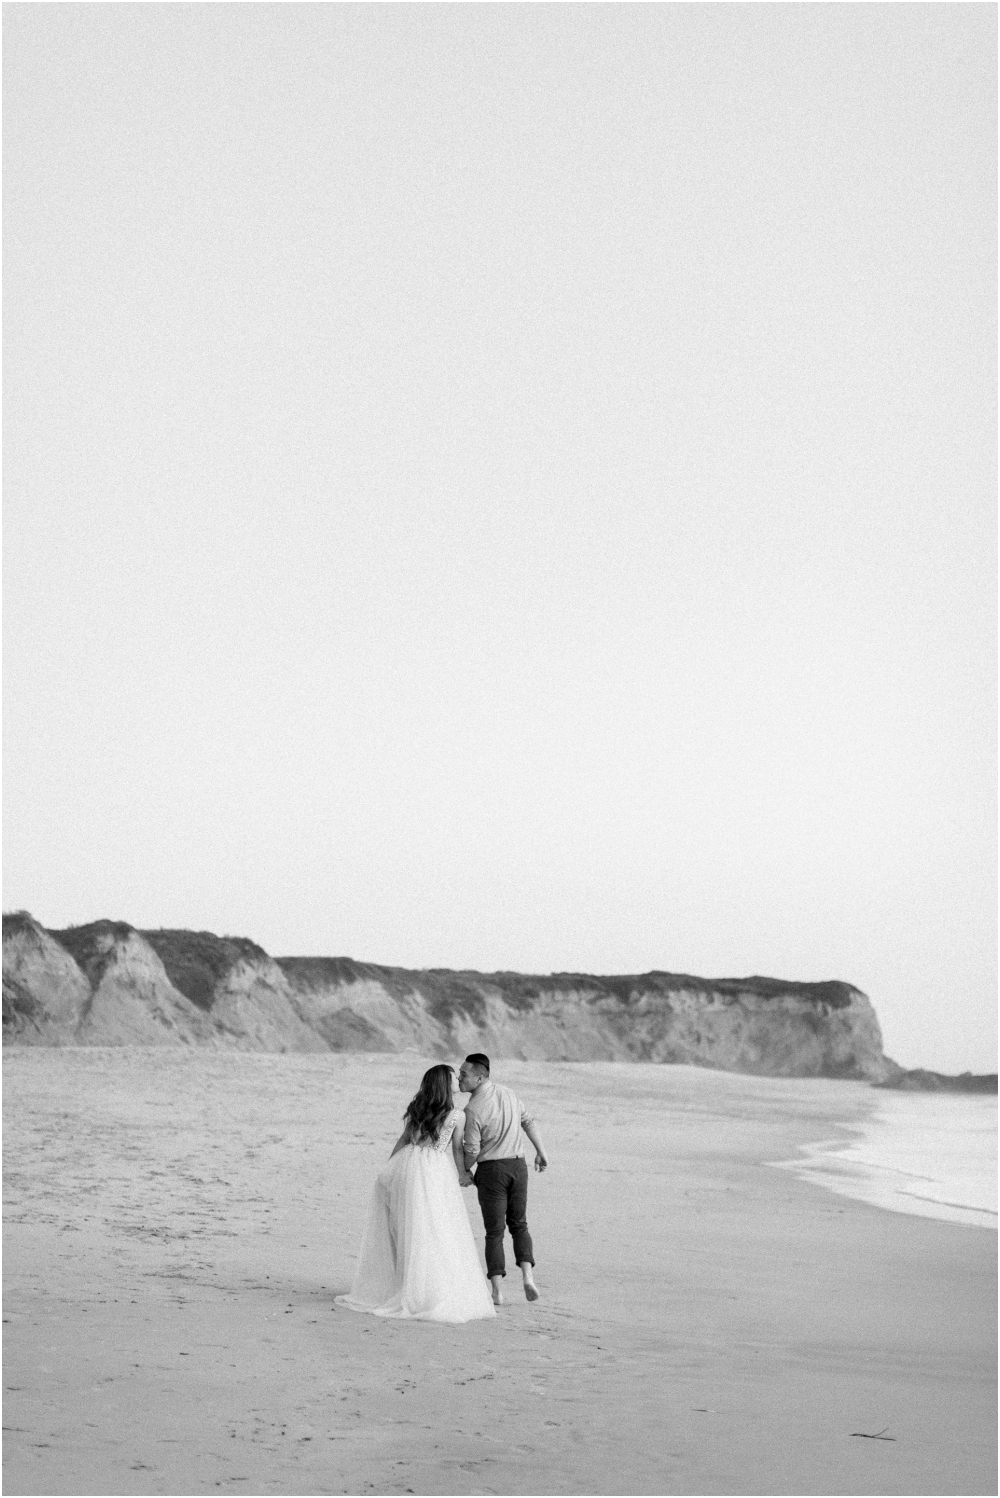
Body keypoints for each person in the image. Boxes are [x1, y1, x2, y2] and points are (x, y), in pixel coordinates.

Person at [335, 1064, 496, 1323]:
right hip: (433, 1169)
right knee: (435, 1227)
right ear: (445, 1085)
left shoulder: (418, 1109)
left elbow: (403, 1140)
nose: (457, 1079)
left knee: (409, 1226)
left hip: (408, 1165)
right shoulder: (457, 1115)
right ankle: (426, 1288)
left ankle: (408, 1284)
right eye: (453, 1077)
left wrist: (387, 1168)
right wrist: (464, 1173)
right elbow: (456, 1150)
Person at [458, 1053, 548, 1306]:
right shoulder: (510, 1093)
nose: (458, 1078)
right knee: (520, 1225)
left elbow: (473, 1150)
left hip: (492, 1171)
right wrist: (541, 1151)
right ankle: (528, 1277)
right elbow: (528, 1122)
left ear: (479, 1077)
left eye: (463, 1074)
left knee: (494, 1232)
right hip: (519, 1167)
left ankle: (497, 1291)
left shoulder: (473, 1109)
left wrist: (464, 1170)